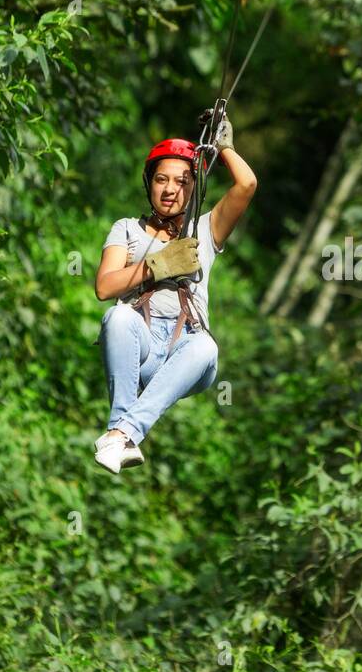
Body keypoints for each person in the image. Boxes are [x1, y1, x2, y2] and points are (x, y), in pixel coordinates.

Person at [91, 116, 256, 473]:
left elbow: (246, 185)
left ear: (194, 188)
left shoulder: (205, 229)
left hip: (187, 351)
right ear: (149, 184)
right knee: (118, 316)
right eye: (161, 180)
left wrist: (224, 148)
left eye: (182, 182)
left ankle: (120, 432)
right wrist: (156, 267)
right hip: (144, 347)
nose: (170, 190)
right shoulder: (127, 229)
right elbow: (104, 287)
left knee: (207, 346)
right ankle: (121, 434)